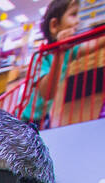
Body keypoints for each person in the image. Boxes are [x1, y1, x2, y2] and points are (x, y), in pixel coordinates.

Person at [21, 0, 80, 129]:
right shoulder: (41, 57)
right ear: (54, 25)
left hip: (44, 115)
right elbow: (47, 93)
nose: (78, 21)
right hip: (27, 118)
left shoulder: (69, 51)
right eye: (73, 14)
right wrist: (59, 53)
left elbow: (95, 44)